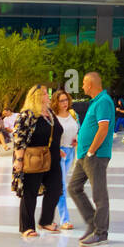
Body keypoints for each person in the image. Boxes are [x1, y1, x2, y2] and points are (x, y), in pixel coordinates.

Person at [66, 71, 114, 247]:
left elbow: (103, 128)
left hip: (96, 156)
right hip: (85, 156)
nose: (82, 87)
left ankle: (101, 233)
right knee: (73, 187)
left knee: (99, 195)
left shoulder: (103, 101)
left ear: (91, 84)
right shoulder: (96, 102)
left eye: (84, 83)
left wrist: (92, 150)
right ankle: (93, 223)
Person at [12, 85, 64, 238]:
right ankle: (26, 227)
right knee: (30, 191)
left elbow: (54, 134)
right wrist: (19, 159)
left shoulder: (49, 113)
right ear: (36, 96)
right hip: (33, 158)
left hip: (52, 157)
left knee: (55, 189)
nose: (48, 96)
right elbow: (19, 138)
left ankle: (46, 221)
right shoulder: (27, 115)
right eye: (44, 94)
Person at [51, 90, 78, 230]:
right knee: (61, 186)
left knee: (58, 186)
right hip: (58, 154)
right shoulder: (53, 117)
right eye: (61, 100)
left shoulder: (72, 114)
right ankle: (64, 220)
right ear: (56, 102)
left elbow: (75, 131)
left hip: (70, 152)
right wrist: (57, 149)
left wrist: (76, 141)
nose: (64, 103)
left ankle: (48, 216)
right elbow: (50, 138)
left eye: (66, 100)